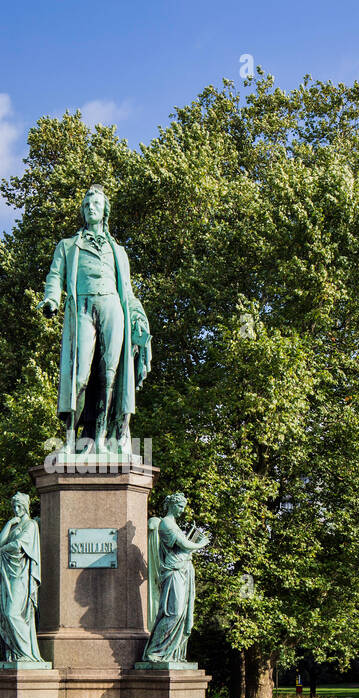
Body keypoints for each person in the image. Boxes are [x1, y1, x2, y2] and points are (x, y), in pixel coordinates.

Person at [38, 184, 151, 454]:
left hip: (113, 306)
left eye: (96, 205)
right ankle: (69, 441)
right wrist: (51, 298)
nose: (91, 208)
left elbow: (128, 291)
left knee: (109, 376)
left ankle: (99, 440)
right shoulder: (67, 246)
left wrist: (137, 317)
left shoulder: (119, 251)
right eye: (87, 205)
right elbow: (55, 277)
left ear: (104, 211)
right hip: (83, 308)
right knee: (79, 376)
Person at [144, 492, 209, 662]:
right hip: (173, 572)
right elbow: (184, 544)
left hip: (183, 570)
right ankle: (154, 651)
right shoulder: (166, 523)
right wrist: (200, 544)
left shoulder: (174, 524)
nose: (182, 510)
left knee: (182, 613)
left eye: (183, 507)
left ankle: (170, 653)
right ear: (171, 505)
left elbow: (182, 546)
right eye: (179, 506)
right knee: (174, 612)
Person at [0, 492, 42, 662]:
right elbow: (1, 542)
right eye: (14, 506)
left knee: (12, 613)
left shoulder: (31, 525)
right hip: (9, 574)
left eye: (19, 506)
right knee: (7, 615)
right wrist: (9, 523)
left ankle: (27, 653)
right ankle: (17, 652)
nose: (16, 509)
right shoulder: (15, 525)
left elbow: (19, 545)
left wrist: (3, 550)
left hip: (21, 575)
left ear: (26, 506)